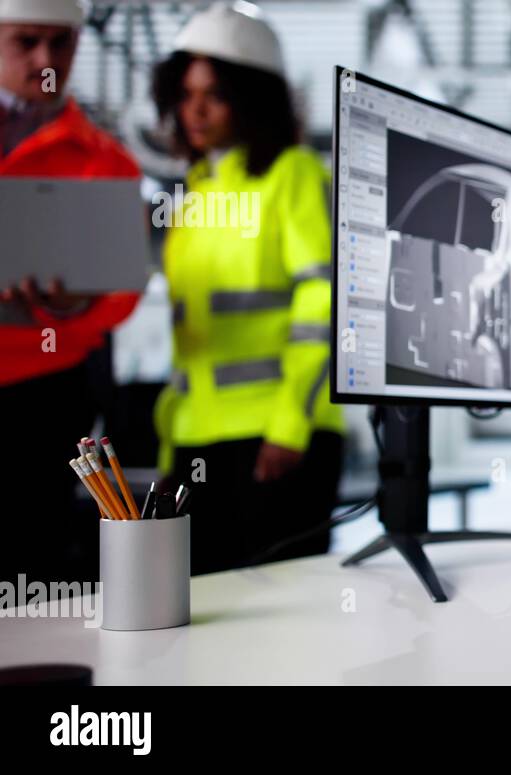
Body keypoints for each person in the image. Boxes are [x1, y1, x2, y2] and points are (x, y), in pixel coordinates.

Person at [150, 3, 343, 574]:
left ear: (252, 97)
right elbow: (187, 337)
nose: (196, 110)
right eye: (185, 95)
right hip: (194, 441)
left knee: (278, 632)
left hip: (277, 440)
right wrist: (170, 450)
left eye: (215, 94)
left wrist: (289, 424)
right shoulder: (195, 190)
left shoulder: (295, 174)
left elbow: (323, 300)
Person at [0, 0, 140, 580]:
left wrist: (83, 305)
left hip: (45, 395)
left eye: (61, 44)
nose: (45, 59)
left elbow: (121, 295)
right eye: (26, 42)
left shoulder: (105, 162)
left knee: (30, 558)